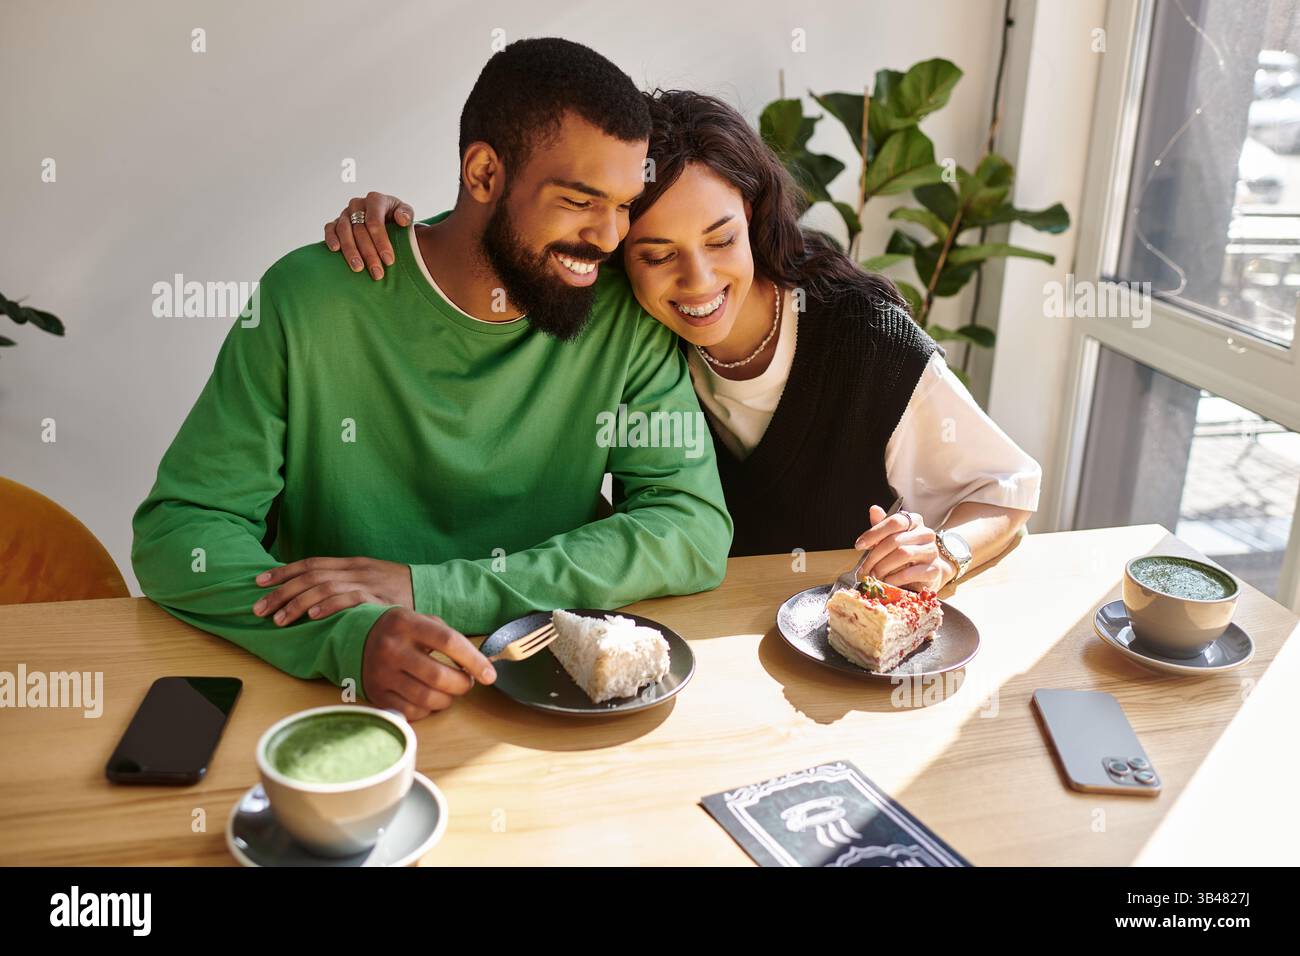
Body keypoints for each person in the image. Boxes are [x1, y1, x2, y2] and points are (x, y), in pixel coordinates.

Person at [131, 40, 733, 721]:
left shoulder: (623, 317)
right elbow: (183, 532)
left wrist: (435, 590)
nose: (608, 236)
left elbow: (690, 528)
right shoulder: (309, 300)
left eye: (624, 205)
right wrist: (347, 639)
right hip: (338, 704)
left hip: (549, 696)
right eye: (579, 200)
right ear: (483, 173)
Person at [322, 89, 1040, 594]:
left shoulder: (861, 337)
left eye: (720, 239)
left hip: (837, 656)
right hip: (692, 640)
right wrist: (398, 227)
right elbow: (504, 238)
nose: (697, 284)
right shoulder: (628, 326)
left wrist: (942, 551)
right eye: (657, 253)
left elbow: (1004, 490)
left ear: (753, 212)